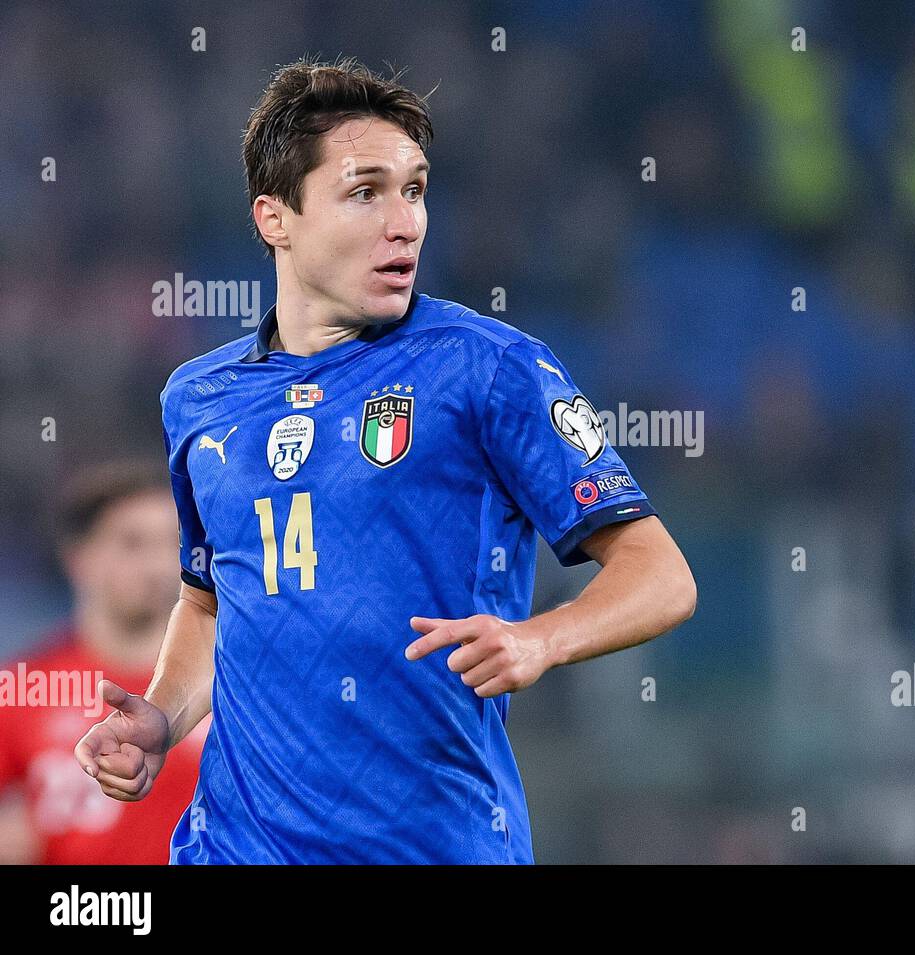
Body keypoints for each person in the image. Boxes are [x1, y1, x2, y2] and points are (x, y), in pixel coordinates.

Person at [73, 56, 696, 864]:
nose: (405, 222)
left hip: (432, 844)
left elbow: (661, 574)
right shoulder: (198, 398)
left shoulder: (489, 368)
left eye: (415, 190)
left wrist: (541, 638)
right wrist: (162, 717)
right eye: (366, 192)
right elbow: (209, 604)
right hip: (233, 846)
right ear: (275, 218)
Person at [0, 461, 207, 864]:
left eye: (173, 544)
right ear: (80, 558)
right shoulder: (23, 686)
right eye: (133, 544)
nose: (158, 566)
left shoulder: (222, 683)